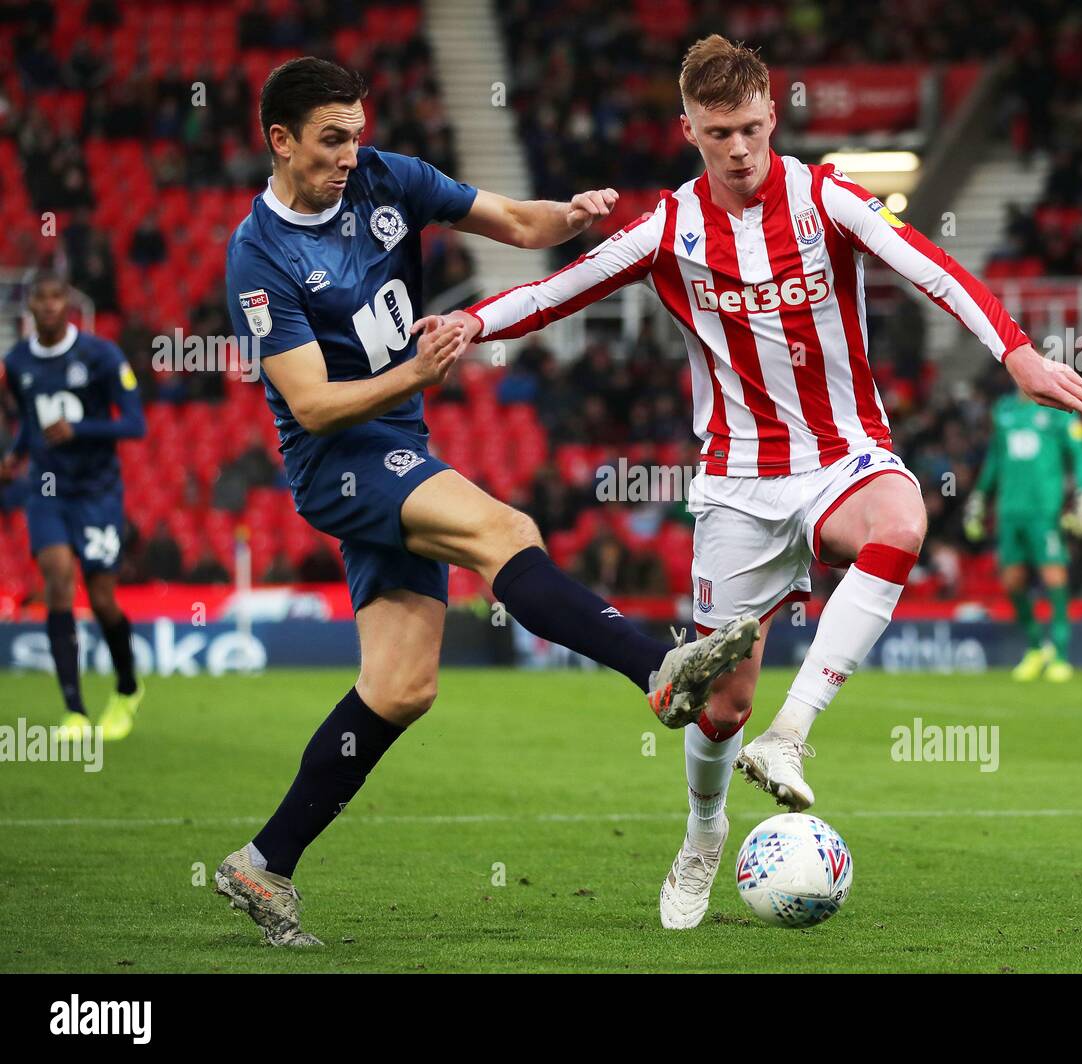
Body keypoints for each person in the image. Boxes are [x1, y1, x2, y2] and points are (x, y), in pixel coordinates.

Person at [423, 35, 1082, 929]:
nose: (739, 149)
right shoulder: (671, 227)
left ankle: (792, 736)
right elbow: (563, 288)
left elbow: (934, 270)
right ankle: (705, 834)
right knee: (715, 707)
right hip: (738, 484)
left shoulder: (828, 199)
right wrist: (472, 323)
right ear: (688, 131)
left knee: (902, 519)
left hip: (842, 454)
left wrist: (1014, 351)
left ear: (773, 114)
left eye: (750, 127)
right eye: (718, 134)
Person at [218, 57, 758, 947]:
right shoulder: (259, 254)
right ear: (280, 140)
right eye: (331, 138)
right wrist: (413, 373)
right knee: (506, 529)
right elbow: (310, 403)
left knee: (401, 687)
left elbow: (510, 219)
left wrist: (573, 218)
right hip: (340, 460)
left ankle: (263, 864)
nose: (352, 152)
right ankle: (656, 669)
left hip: (399, 445)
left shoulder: (387, 176)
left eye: (357, 131)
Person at [1, 272, 146, 740]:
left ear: (68, 303)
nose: (48, 305)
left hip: (98, 491)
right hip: (48, 490)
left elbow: (136, 425)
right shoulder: (17, 361)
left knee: (102, 597)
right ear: (30, 307)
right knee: (57, 577)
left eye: (56, 296)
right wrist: (17, 454)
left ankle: (127, 688)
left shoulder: (101, 355)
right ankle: (75, 711)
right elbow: (30, 419)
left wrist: (78, 430)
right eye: (40, 298)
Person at [964, 389, 1082, 681]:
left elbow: (1079, 453)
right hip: (1010, 510)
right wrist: (980, 496)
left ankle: (1060, 653)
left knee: (1053, 576)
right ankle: (1037, 646)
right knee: (1012, 580)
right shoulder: (1004, 409)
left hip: (1043, 510)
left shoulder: (1058, 410)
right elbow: (995, 458)